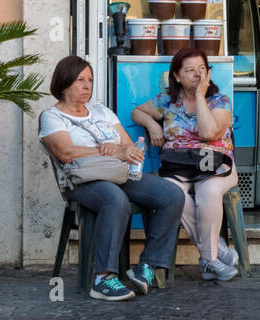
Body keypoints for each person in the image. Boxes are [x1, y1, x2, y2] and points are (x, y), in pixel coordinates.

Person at [39, 55, 185, 300]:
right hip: (82, 180)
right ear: (64, 84)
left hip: (118, 172)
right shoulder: (52, 116)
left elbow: (127, 147)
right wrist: (105, 149)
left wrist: (125, 151)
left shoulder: (102, 111)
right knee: (114, 199)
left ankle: (146, 267)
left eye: (90, 80)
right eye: (80, 80)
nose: (87, 86)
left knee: (171, 194)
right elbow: (65, 153)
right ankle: (103, 279)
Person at [132, 48, 241, 282]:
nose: (198, 75)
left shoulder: (220, 101)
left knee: (208, 192)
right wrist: (153, 125)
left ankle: (209, 259)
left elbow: (208, 132)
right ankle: (214, 253)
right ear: (177, 77)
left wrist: (200, 96)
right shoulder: (167, 101)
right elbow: (137, 112)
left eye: (202, 69)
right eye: (190, 70)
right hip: (178, 167)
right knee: (171, 195)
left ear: (209, 73)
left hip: (215, 165)